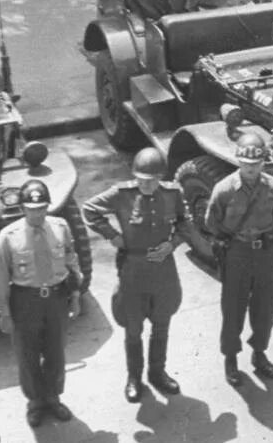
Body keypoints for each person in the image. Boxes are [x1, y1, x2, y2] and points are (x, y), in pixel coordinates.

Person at [83, 146, 210, 402]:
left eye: (152, 181)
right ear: (135, 176)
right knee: (133, 328)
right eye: (142, 180)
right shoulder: (121, 194)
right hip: (133, 268)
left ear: (160, 178)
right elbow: (89, 209)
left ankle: (157, 373)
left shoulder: (172, 193)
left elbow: (184, 223)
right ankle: (134, 378)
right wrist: (113, 236)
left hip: (163, 270)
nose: (147, 186)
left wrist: (171, 245)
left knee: (162, 324)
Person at [0, 179, 82, 428]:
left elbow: (71, 263)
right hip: (25, 300)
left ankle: (53, 397)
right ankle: (35, 402)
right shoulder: (8, 237)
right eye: (31, 208)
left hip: (55, 298)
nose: (37, 213)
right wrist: (4, 312)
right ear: (22, 208)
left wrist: (75, 296)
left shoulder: (61, 227)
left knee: (55, 352)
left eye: (42, 207)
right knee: (27, 354)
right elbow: (0, 278)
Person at [207, 131, 273, 386]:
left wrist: (262, 237)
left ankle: (259, 354)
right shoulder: (224, 190)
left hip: (263, 251)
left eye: (256, 163)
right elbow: (212, 222)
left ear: (264, 162)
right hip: (236, 252)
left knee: (264, 308)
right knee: (233, 307)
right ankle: (230, 357)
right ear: (238, 161)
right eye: (245, 163)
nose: (250, 168)